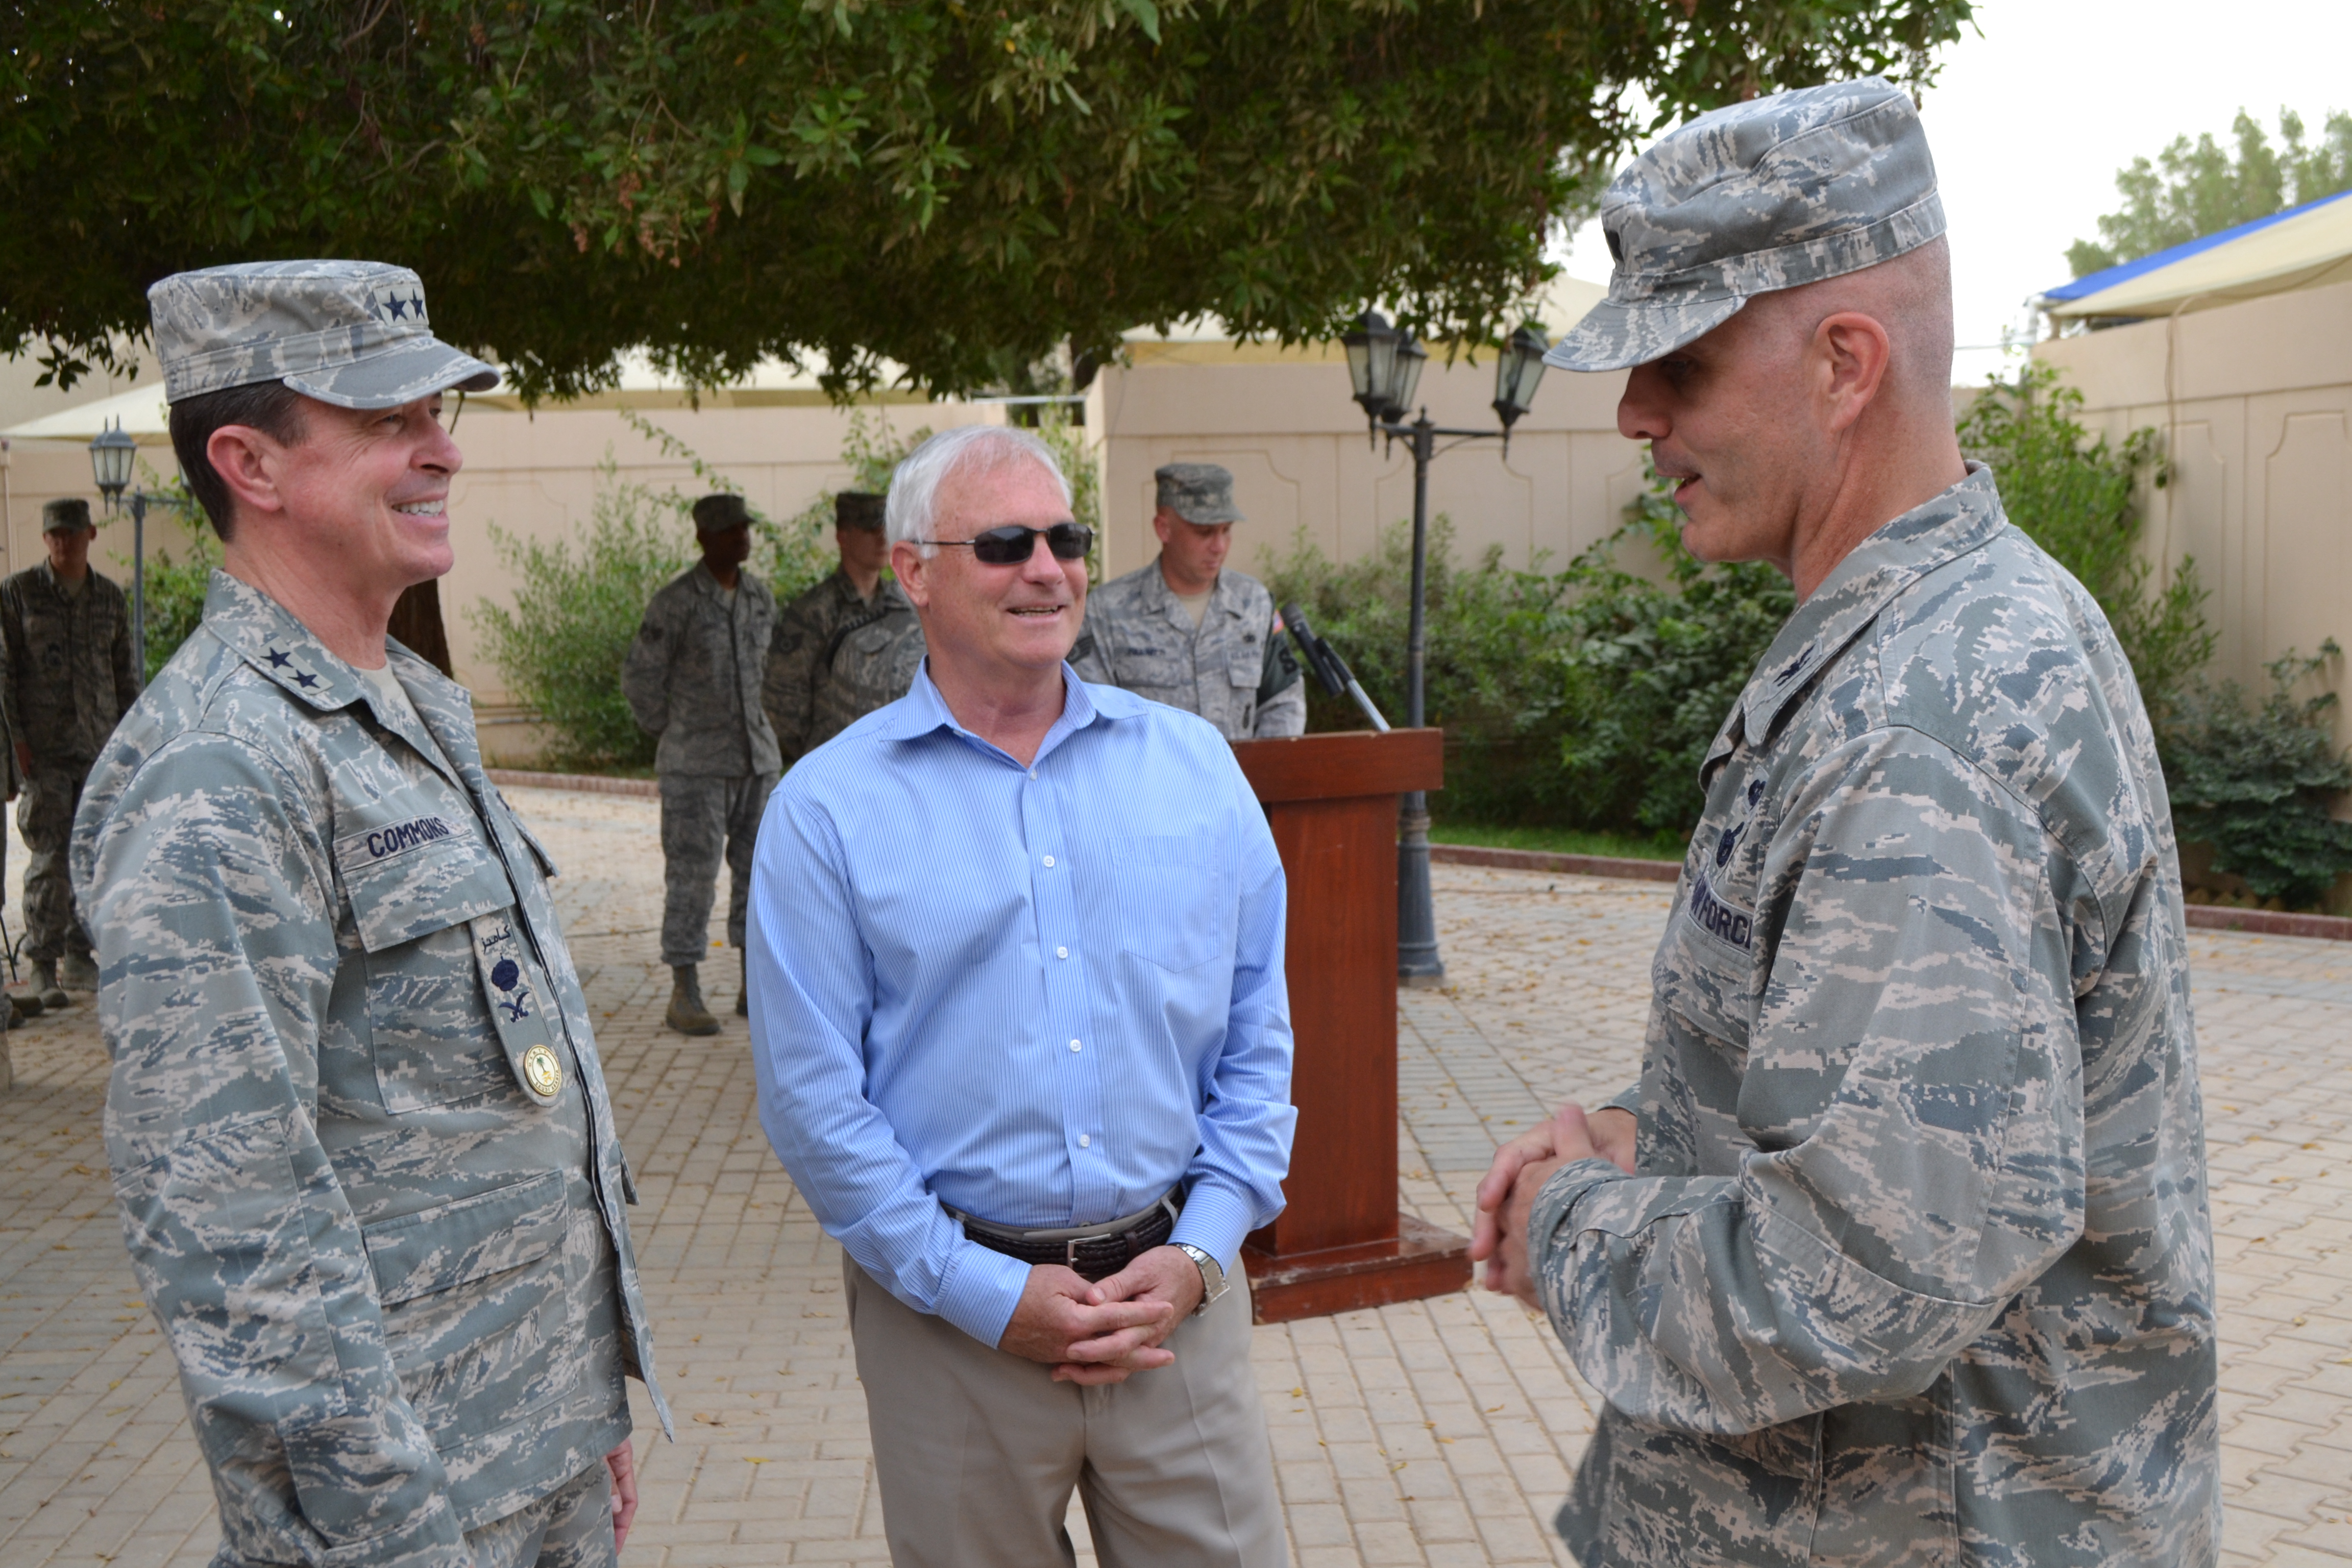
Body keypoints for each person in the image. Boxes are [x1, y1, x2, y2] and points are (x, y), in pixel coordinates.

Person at [1471, 79, 2218, 1566]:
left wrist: (1568, 1221)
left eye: (1678, 364)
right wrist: (1664, 1132)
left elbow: (1860, 1270)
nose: (1636, 415)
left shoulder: (1916, 729)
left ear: (1843, 364)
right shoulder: (1948, 632)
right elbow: (1899, 1126)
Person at [72, 260, 670, 1568]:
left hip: (532, 1448)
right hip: (402, 1517)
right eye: (389, 418)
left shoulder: (400, 698)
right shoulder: (218, 768)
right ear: (252, 462)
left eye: (441, 412)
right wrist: (391, 1531)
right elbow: (235, 1227)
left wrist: (581, 1393)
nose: (440, 448)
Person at [748, 425, 1295, 1567]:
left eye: (1065, 538)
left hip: (1173, 1313)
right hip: (949, 1328)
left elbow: (1257, 1043)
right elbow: (814, 1104)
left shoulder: (1197, 770)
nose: (1046, 568)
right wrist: (978, 1292)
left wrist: (1202, 1253)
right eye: (1003, 543)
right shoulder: (827, 811)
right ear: (914, 571)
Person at [621, 493, 781, 1032]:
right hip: (696, 767)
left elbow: (774, 675)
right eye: (731, 531)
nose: (743, 538)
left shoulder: (760, 598)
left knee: (760, 876)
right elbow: (641, 679)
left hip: (756, 761)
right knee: (692, 876)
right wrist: (674, 733)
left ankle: (750, 984)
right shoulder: (677, 603)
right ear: (705, 538)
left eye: (745, 528)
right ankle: (684, 992)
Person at [3, 496, 140, 1010]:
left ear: (90, 536)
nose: (63, 543)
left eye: (72, 533)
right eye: (55, 534)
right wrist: (16, 741)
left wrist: (132, 744)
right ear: (45, 540)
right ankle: (42, 962)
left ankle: (81, 954)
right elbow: (5, 675)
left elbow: (125, 673)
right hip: (44, 749)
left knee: (97, 856)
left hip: (100, 747)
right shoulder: (18, 594)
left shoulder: (108, 598)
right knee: (48, 854)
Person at [1071, 462, 1304, 739]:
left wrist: (1260, 774)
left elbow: (1283, 703)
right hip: (1149, 782)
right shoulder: (1107, 612)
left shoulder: (1254, 604)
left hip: (1239, 780)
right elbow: (1091, 716)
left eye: (1226, 530)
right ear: (1164, 529)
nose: (1219, 546)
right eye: (1204, 533)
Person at [762, 488, 923, 766]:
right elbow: (783, 701)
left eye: (886, 528)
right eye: (870, 530)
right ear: (843, 537)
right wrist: (815, 751)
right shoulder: (814, 612)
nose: (882, 538)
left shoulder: (906, 603)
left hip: (898, 759)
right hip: (833, 763)